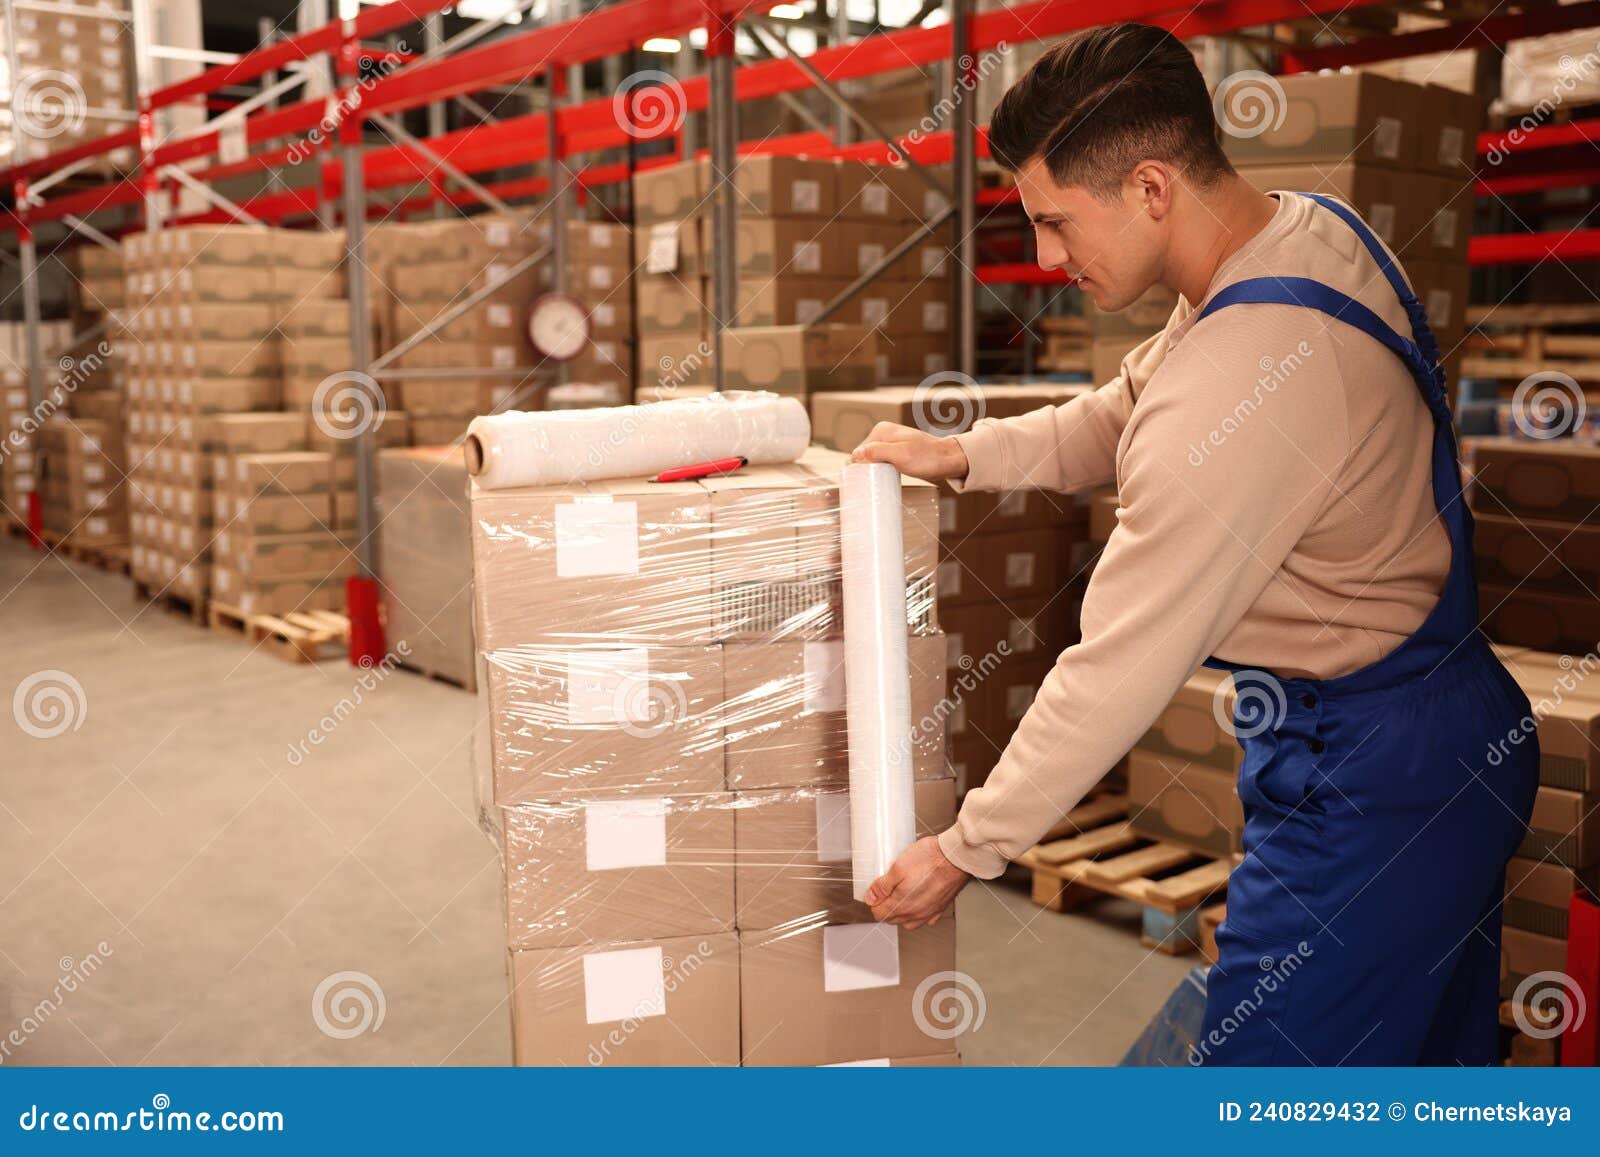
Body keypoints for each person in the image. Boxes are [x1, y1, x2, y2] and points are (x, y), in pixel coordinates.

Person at [854, 22, 1538, 1065]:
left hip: (1375, 783)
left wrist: (966, 845)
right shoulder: (1297, 233)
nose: (1044, 259)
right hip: (1446, 730)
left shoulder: (1240, 382)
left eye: (1053, 222)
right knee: (1427, 1089)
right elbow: (1126, 408)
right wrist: (963, 454)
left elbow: (1114, 668)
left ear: (1149, 187)